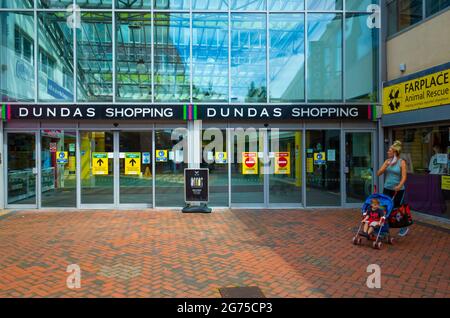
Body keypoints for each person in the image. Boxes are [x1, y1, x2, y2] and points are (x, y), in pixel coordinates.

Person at [377, 140, 409, 237]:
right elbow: (378, 173)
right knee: (385, 208)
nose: (387, 152)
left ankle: (404, 226)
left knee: (398, 208)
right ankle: (384, 230)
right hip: (387, 188)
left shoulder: (401, 162)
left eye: (389, 151)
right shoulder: (387, 161)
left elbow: (404, 177)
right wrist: (385, 166)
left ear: (395, 152)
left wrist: (399, 186)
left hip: (398, 190)